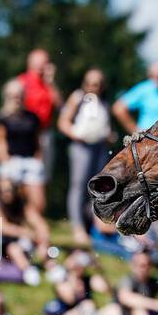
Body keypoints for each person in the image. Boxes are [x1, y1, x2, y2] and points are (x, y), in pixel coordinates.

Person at [59, 68, 115, 245]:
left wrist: (109, 135)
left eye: (97, 84)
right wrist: (76, 134)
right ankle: (77, 227)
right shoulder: (77, 98)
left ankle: (93, 225)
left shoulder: (104, 102)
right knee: (79, 185)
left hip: (100, 147)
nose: (94, 87)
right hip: (82, 146)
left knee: (98, 188)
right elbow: (63, 122)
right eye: (91, 83)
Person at [0, 79, 47, 213]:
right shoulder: (2, 118)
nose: (17, 99)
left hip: (30, 161)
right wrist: (5, 162)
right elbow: (0, 141)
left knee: (38, 203)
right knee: (8, 200)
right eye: (13, 95)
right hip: (11, 161)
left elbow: (37, 140)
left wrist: (38, 159)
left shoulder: (32, 117)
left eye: (19, 95)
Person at [17, 48, 62, 177]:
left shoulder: (48, 84)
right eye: (40, 64)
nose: (43, 68)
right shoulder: (21, 81)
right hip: (26, 135)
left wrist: (50, 83)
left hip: (44, 133)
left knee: (43, 175)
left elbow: (60, 107)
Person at [112, 62, 158, 134]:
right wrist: (135, 130)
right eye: (157, 77)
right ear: (150, 76)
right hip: (148, 138)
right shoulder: (144, 89)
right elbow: (118, 108)